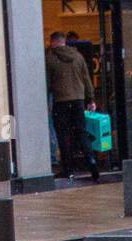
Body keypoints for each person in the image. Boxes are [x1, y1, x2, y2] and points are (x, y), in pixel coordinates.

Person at [45, 31, 99, 181]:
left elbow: (47, 83)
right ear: (65, 42)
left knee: (64, 135)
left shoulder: (50, 58)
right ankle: (91, 161)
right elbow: (87, 79)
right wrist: (91, 99)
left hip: (61, 101)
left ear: (54, 42)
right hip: (78, 101)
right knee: (81, 132)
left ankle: (68, 169)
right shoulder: (78, 56)